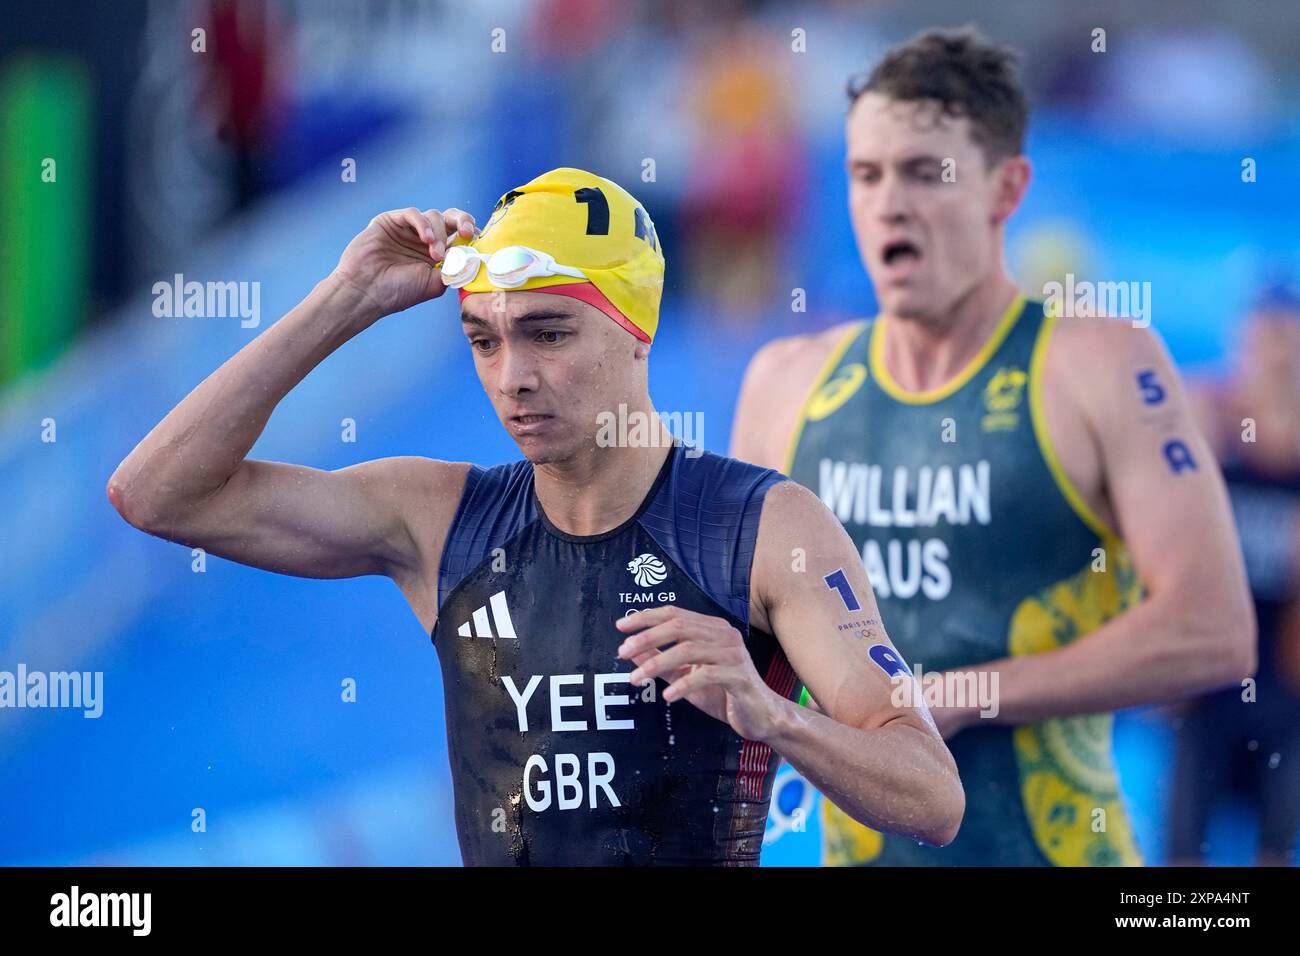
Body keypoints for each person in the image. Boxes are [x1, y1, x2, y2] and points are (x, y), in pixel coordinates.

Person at [107, 167, 963, 866]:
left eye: (548, 334)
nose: (512, 376)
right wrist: (347, 297)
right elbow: (157, 494)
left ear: (636, 329)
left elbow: (931, 796)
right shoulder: (437, 519)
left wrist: (773, 713)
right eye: (485, 340)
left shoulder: (765, 528)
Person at [730, 29, 1256, 866]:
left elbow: (1214, 630)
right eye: (865, 175)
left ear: (1007, 188)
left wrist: (969, 695)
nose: (888, 203)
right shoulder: (786, 382)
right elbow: (749, 651)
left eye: (923, 172)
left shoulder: (1099, 365)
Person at [1170, 282, 1300, 866]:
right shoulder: (1208, 426)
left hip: (1289, 692)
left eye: (1285, 347)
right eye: (1263, 345)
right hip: (1210, 689)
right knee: (1181, 865)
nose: (1274, 361)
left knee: (1275, 852)